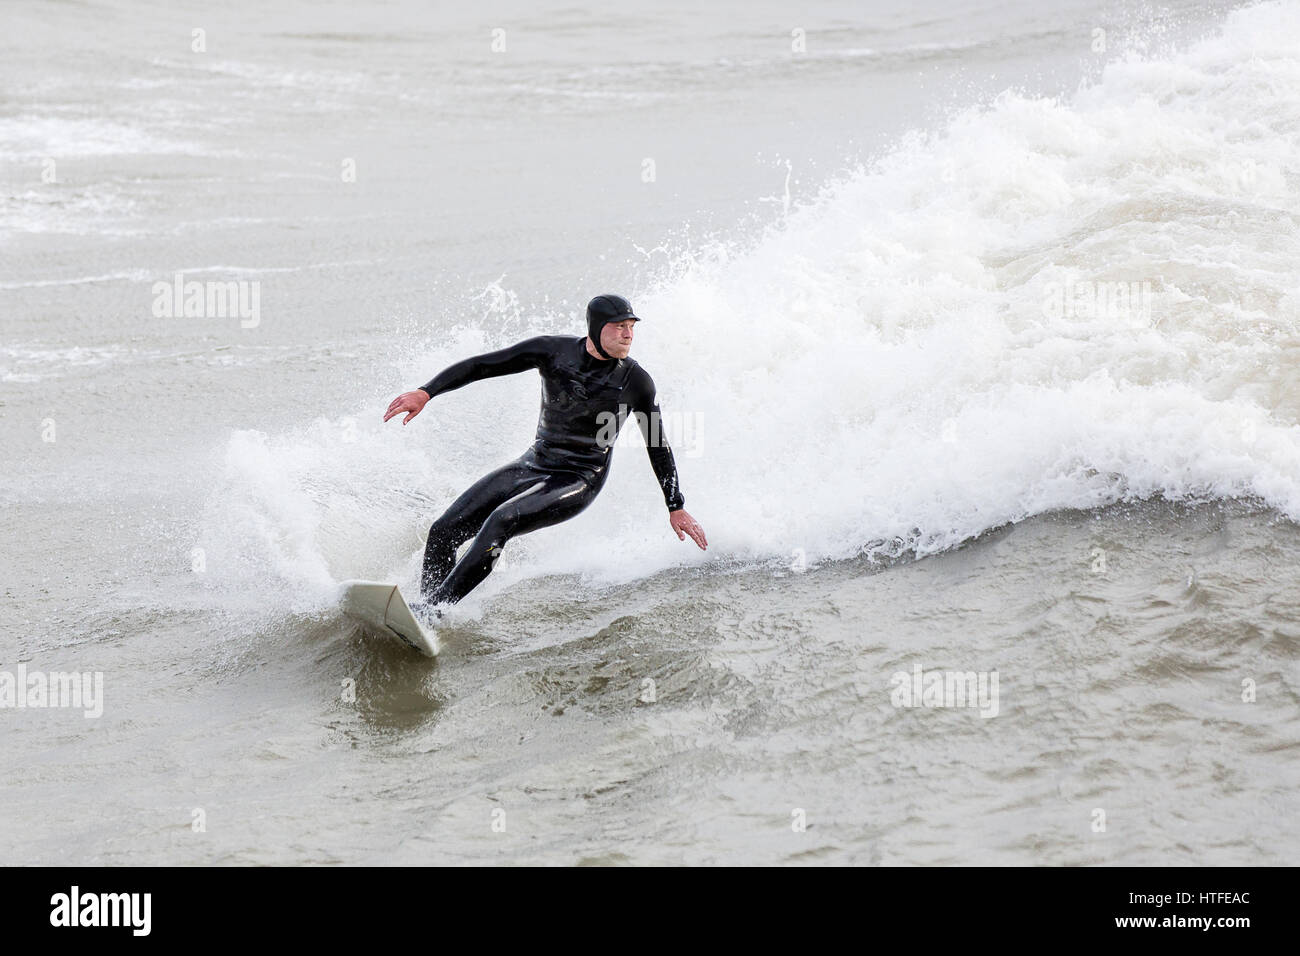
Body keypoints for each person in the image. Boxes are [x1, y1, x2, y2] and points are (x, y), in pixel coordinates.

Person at [384, 294, 707, 617]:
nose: (628, 334)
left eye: (631, 327)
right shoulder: (553, 352)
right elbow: (483, 365)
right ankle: (424, 611)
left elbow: (657, 443)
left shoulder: (635, 381)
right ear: (596, 328)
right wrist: (427, 391)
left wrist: (675, 505)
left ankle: (434, 611)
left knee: (503, 519)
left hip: (581, 477)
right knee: (444, 530)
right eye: (619, 326)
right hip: (535, 463)